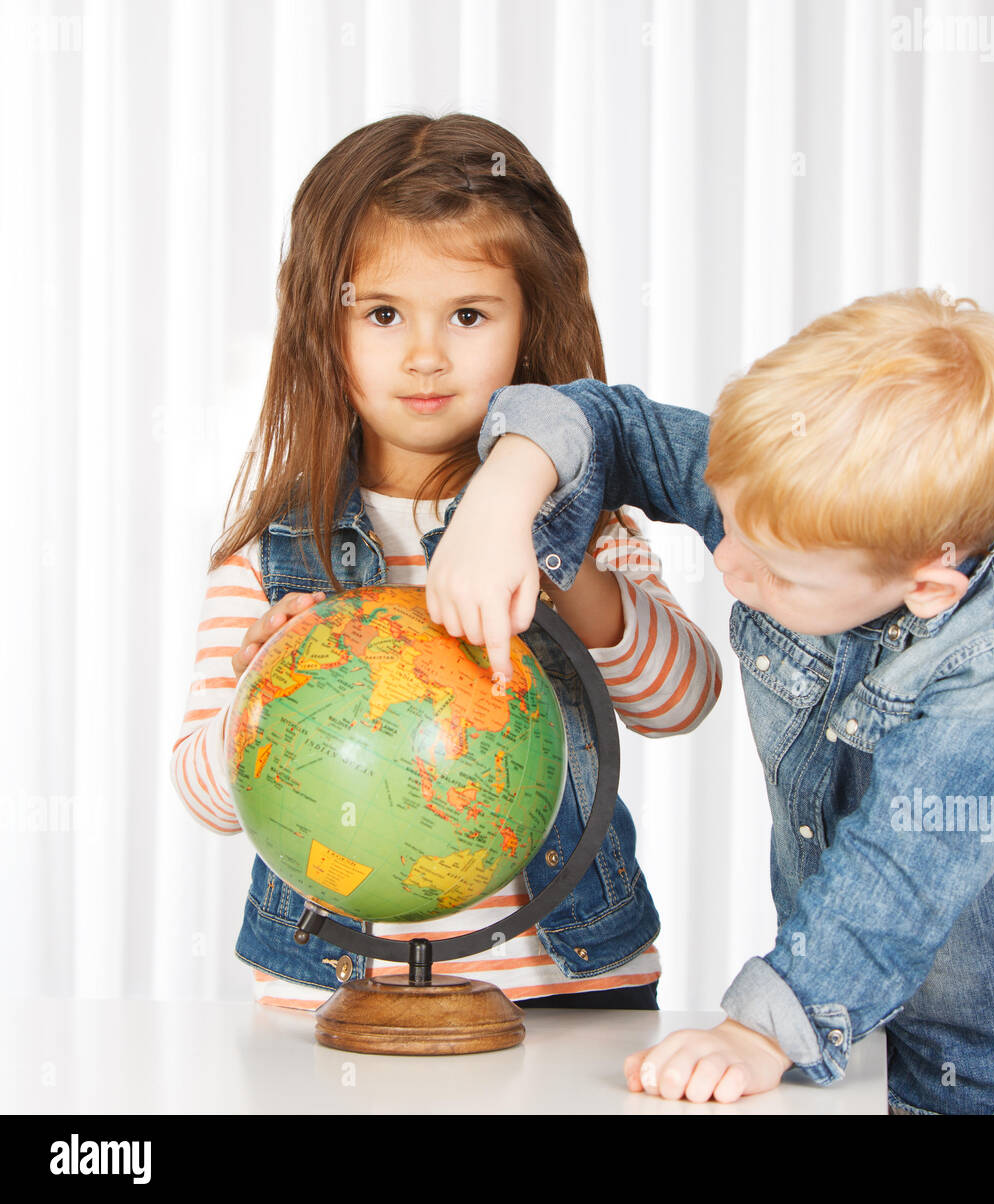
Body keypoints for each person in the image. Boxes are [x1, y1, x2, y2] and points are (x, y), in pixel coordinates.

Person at [423, 288, 994, 1113]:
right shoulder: (799, 494)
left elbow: (904, 870)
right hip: (855, 1035)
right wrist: (502, 498)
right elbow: (613, 424)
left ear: (927, 587)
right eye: (726, 523)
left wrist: (762, 1032)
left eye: (777, 575)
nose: (730, 565)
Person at [170, 113, 721, 1012]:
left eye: (468, 315)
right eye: (383, 314)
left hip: (564, 986)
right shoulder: (270, 551)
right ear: (324, 328)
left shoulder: (575, 519)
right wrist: (255, 687)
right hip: (336, 1002)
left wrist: (563, 571)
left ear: (526, 324)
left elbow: (683, 698)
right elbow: (207, 798)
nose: (426, 355)